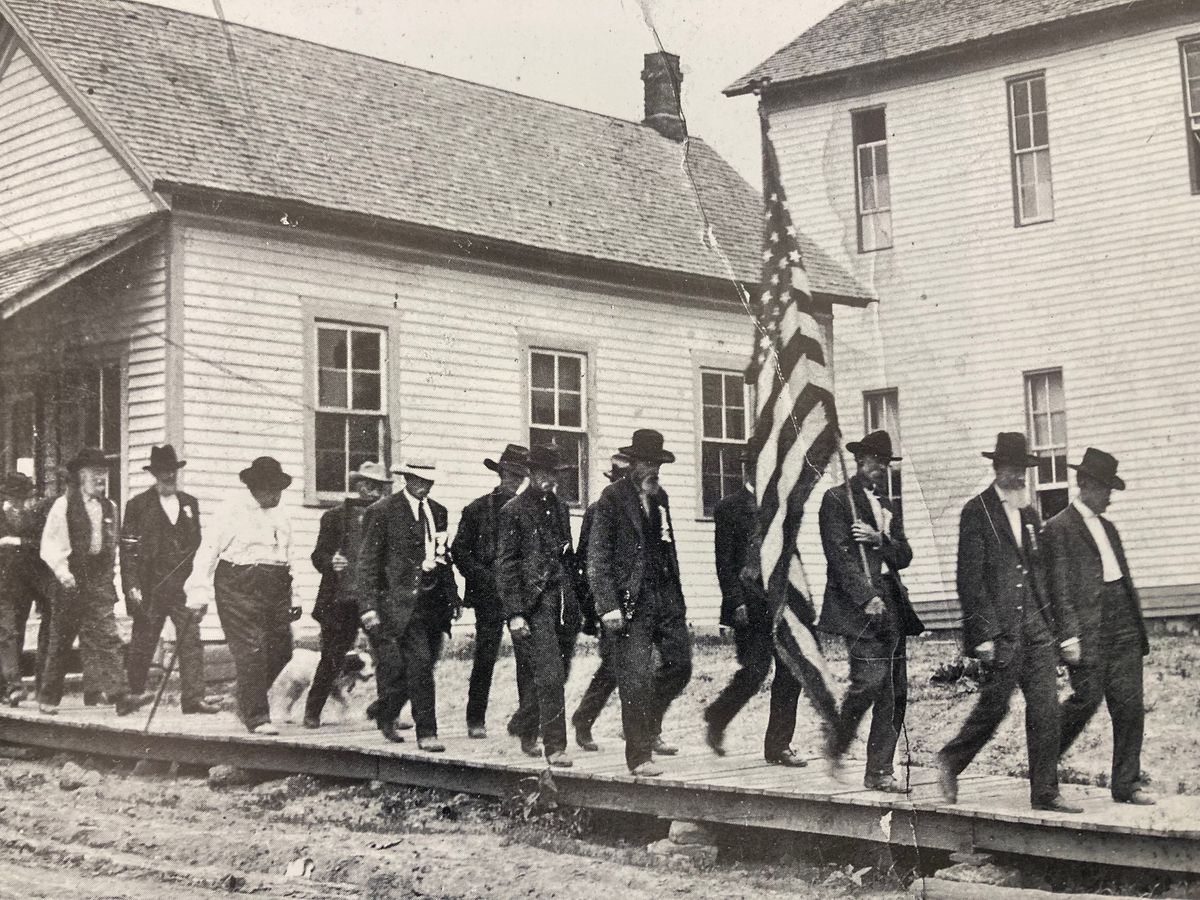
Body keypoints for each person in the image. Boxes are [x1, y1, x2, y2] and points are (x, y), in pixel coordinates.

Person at [936, 433, 1082, 813]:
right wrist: (981, 633)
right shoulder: (977, 511)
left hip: (1036, 630)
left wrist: (1061, 630)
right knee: (994, 706)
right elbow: (970, 579)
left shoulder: (1030, 515)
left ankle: (1046, 793)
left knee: (1046, 709)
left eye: (1023, 470)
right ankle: (951, 761)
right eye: (1013, 468)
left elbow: (1043, 574)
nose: (1019, 476)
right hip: (1001, 632)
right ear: (997, 468)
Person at [1046, 448, 1154, 806]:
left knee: (1130, 706)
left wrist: (1135, 626)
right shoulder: (1058, 528)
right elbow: (1057, 588)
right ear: (1087, 484)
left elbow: (1122, 579)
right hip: (1088, 628)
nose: (1110, 495)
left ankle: (1127, 784)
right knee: (1086, 700)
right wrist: (1067, 635)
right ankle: (1042, 767)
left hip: (1122, 622)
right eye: (1106, 487)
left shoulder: (1109, 528)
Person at [819, 431, 923, 792]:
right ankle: (836, 742)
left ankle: (880, 771)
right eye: (873, 460)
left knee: (896, 689)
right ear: (859, 460)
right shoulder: (836, 500)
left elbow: (905, 555)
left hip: (891, 604)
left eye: (884, 462)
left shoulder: (889, 504)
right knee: (869, 682)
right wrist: (865, 597)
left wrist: (882, 540)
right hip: (857, 607)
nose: (879, 468)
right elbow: (839, 557)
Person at [589, 428, 692, 777]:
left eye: (658, 464)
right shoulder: (611, 498)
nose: (654, 471)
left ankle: (646, 726)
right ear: (633, 464)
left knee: (680, 666)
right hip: (630, 602)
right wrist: (608, 606)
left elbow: (668, 547)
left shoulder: (660, 498)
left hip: (665, 598)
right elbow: (598, 557)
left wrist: (677, 598)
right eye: (648, 463)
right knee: (635, 679)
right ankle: (639, 756)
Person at [704, 450, 807, 767]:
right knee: (755, 670)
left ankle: (779, 746)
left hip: (780, 602)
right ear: (747, 470)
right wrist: (735, 601)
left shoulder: (782, 508)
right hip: (749, 605)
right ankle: (718, 717)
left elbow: (792, 555)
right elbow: (724, 562)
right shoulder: (728, 508)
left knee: (791, 671)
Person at [186, 456, 300, 735]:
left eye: (279, 490)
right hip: (238, 584)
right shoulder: (231, 511)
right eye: (271, 489)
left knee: (282, 649)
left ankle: (243, 697)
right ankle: (257, 716)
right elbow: (207, 553)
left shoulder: (282, 516)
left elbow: (289, 558)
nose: (276, 495)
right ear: (256, 487)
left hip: (275, 584)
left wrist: (294, 597)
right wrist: (197, 593)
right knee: (252, 649)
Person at [38, 448, 151, 717]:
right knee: (61, 640)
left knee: (108, 638)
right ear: (81, 475)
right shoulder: (64, 505)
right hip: (71, 580)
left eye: (104, 473)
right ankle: (48, 698)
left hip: (98, 582)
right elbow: (51, 545)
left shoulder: (110, 507)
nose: (101, 478)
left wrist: (108, 581)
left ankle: (120, 696)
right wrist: (64, 574)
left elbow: (111, 547)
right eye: (95, 473)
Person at [356, 459, 458, 753]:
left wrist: (452, 596)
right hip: (400, 602)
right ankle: (428, 732)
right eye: (418, 480)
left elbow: (442, 556)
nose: (424, 486)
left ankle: (384, 711)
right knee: (420, 665)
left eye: (429, 481)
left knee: (422, 664)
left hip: (433, 600)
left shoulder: (438, 511)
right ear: (407, 479)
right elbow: (367, 564)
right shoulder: (383, 511)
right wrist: (368, 607)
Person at [497, 445, 581, 766]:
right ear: (531, 473)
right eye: (544, 474)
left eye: (554, 475)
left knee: (556, 672)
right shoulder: (513, 511)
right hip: (534, 604)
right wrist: (515, 613)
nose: (550, 480)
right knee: (548, 673)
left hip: (563, 601)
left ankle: (525, 726)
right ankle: (556, 747)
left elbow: (566, 556)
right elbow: (506, 566)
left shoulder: (560, 508)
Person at [121, 445, 215, 715]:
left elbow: (198, 549)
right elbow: (127, 552)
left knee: (191, 641)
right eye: (163, 471)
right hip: (151, 587)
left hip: (183, 588)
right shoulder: (137, 506)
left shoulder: (189, 504)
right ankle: (132, 695)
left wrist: (199, 588)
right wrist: (131, 586)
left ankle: (193, 699)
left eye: (172, 471)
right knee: (143, 642)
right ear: (154, 474)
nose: (168, 476)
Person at [305, 460, 391, 728]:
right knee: (332, 655)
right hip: (341, 599)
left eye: (379, 487)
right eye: (369, 485)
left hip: (374, 599)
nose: (374, 491)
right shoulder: (334, 517)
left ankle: (389, 713)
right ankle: (312, 711)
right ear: (358, 485)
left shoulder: (388, 517)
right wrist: (332, 561)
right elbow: (317, 555)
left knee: (387, 656)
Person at [453, 443, 529, 738]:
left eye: (520, 476)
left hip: (521, 595)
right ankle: (475, 720)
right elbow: (460, 551)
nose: (515, 481)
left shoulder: (529, 510)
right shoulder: (476, 510)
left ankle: (525, 721)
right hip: (488, 595)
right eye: (510, 474)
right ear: (500, 474)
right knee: (485, 655)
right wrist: (484, 578)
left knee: (526, 657)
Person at [570, 453, 630, 751]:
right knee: (614, 665)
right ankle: (584, 719)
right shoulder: (599, 510)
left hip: (641, 601)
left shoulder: (647, 507)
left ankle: (648, 732)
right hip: (611, 602)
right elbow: (587, 560)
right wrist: (591, 609)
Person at [0, 472, 49, 706]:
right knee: (7, 634)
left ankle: (7, 688)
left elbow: (43, 543)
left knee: (14, 634)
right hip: (2, 585)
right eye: (15, 498)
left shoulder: (32, 517)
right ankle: (14, 686)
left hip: (25, 585)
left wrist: (17, 542)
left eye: (24, 497)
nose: (20, 503)